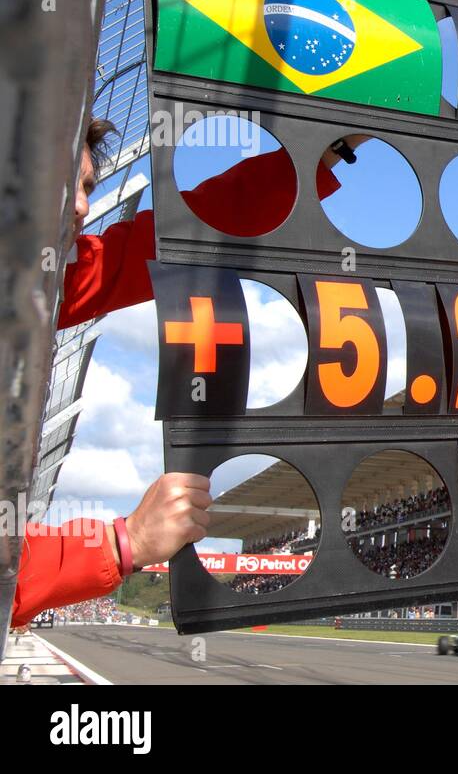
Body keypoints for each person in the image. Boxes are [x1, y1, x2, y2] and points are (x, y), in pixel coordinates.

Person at [12, 117, 354, 627]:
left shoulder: (39, 284)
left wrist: (332, 145)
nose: (82, 206)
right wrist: (123, 541)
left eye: (85, 187)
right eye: (61, 182)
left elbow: (190, 229)